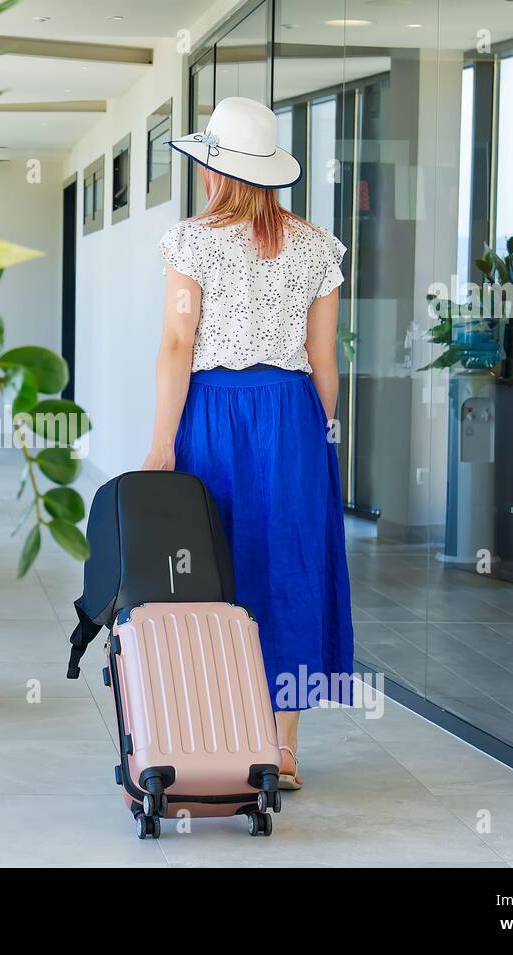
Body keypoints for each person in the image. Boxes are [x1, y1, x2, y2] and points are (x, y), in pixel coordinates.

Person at [142, 96, 355, 790]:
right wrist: (316, 437)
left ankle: (219, 734)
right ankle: (283, 749)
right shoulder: (319, 246)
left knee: (212, 568)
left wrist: (161, 443)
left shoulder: (190, 242)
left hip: (212, 411)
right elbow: (325, 359)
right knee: (290, 563)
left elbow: (178, 343)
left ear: (214, 171)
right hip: (291, 414)